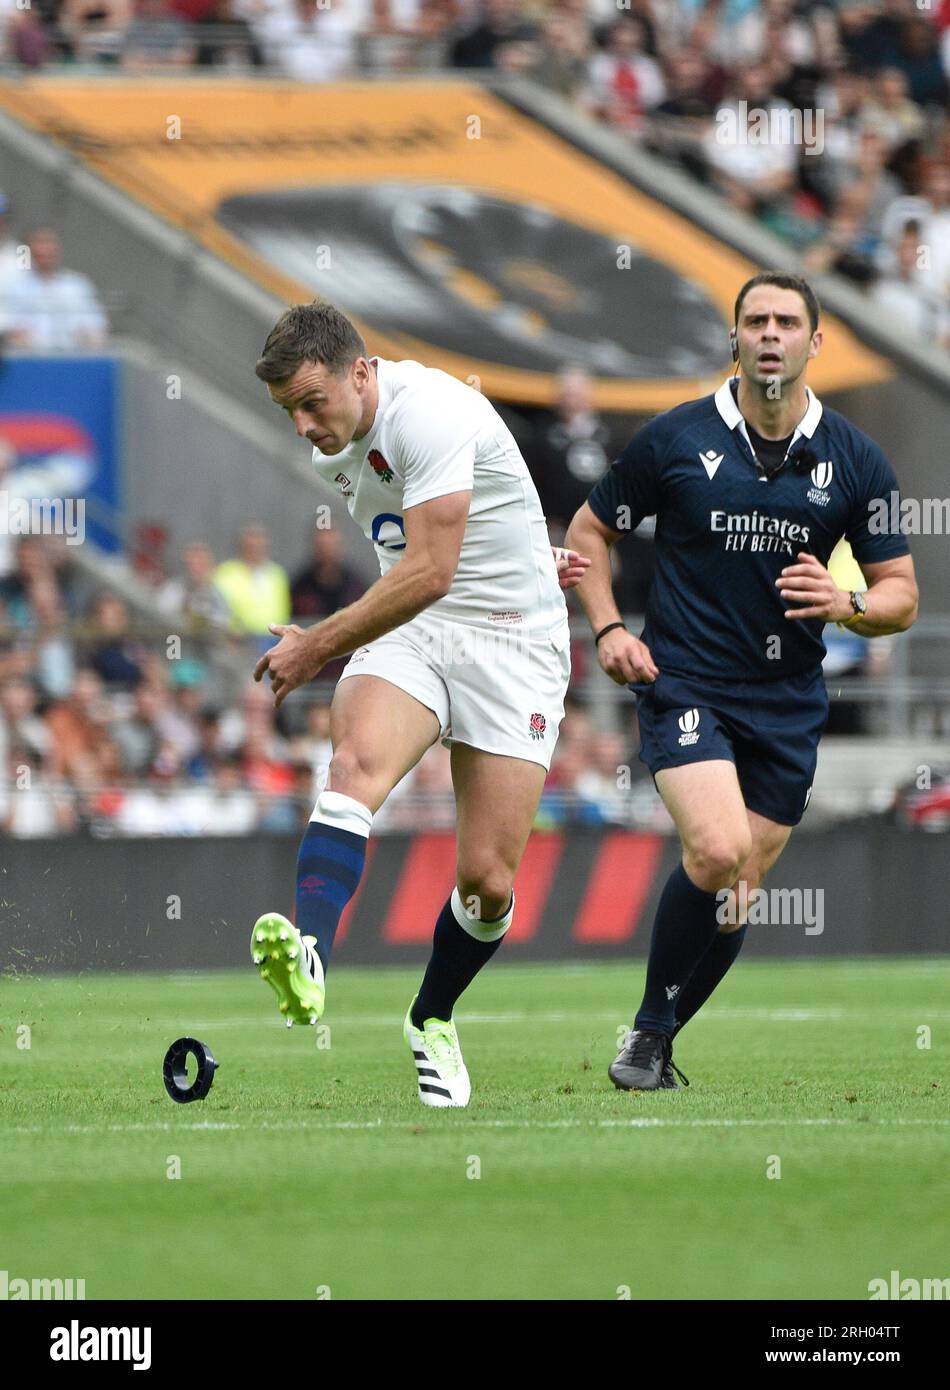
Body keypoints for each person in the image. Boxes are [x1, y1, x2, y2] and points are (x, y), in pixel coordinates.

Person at [565, 272, 917, 1091]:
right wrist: (610, 628)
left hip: (790, 701)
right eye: (754, 320)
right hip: (688, 680)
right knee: (719, 850)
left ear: (814, 343)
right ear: (734, 339)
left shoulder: (856, 459)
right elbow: (590, 530)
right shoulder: (675, 438)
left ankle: (655, 1042)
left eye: (786, 322)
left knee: (739, 890)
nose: (769, 334)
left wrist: (847, 600)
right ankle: (648, 1034)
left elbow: (901, 595)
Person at [248, 301, 587, 1107]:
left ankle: (431, 1015)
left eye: (311, 403)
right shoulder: (337, 434)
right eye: (288, 411)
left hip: (514, 643)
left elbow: (432, 566)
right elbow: (427, 557)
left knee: (488, 882)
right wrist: (524, 551)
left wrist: (317, 643)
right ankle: (312, 955)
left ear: (359, 373)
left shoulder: (428, 411)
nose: (302, 426)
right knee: (355, 764)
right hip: (422, 629)